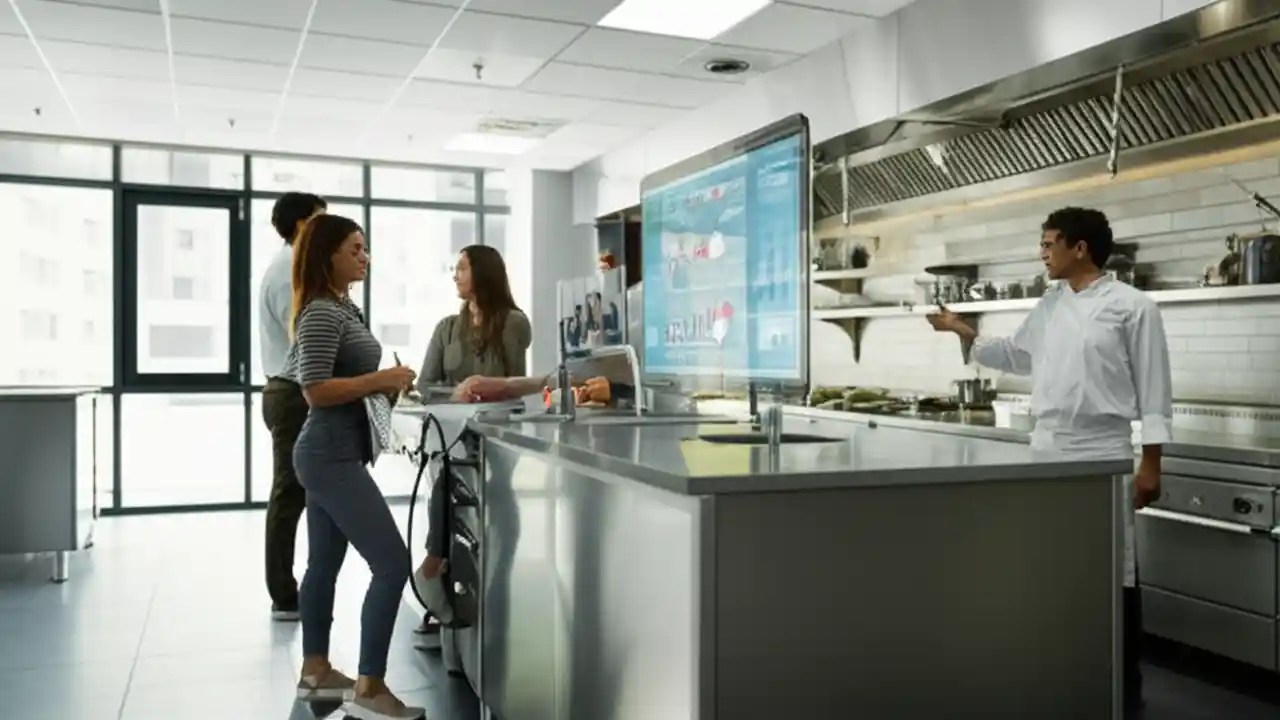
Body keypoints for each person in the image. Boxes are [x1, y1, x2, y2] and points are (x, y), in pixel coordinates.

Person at [926, 207, 1172, 716]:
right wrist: (962, 331)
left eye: (1048, 243)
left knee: (1113, 569)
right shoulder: (1051, 304)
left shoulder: (1133, 307)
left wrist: (1151, 463)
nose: (1042, 252)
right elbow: (1018, 355)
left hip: (1101, 452)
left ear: (1078, 248)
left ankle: (1121, 686)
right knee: (1048, 564)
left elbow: (1154, 390)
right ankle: (1056, 669)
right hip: (1047, 449)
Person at [280, 213, 422, 719]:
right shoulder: (321, 311)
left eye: (366, 249)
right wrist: (380, 378)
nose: (365, 257)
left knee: (323, 564)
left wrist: (382, 382)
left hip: (335, 452)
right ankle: (370, 687)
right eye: (355, 249)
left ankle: (316, 669)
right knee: (392, 563)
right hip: (329, 455)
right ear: (328, 255)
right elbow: (315, 389)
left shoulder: (343, 307)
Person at [413, 244, 531, 648]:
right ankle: (445, 601)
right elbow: (425, 385)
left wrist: (488, 395)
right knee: (451, 514)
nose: (455, 274)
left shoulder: (514, 324)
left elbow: (519, 388)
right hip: (450, 437)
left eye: (461, 267)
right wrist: (457, 396)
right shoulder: (446, 327)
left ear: (483, 272)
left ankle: (491, 601)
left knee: (502, 526)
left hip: (495, 441)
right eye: (454, 268)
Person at [259, 192, 326, 621]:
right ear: (301, 226)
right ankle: (284, 594)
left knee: (297, 491)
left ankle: (297, 587)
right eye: (320, 221)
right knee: (289, 493)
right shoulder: (288, 272)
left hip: (290, 390)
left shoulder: (292, 267)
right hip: (291, 393)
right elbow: (305, 343)